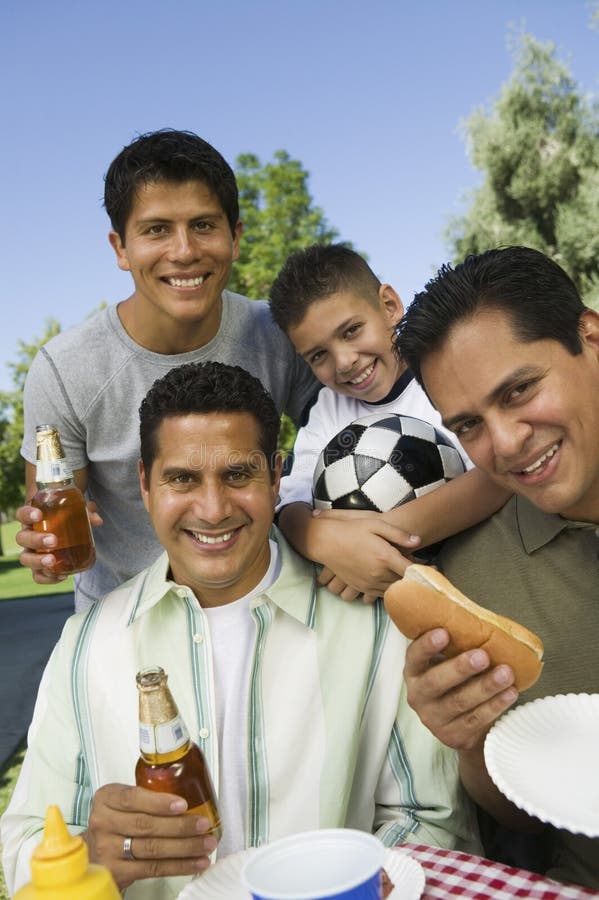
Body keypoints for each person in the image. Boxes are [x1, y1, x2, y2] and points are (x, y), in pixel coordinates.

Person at [1, 362, 479, 900]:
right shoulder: (86, 643)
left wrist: (373, 873)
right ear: (145, 483)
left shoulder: (377, 626)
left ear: (276, 476)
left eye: (237, 475)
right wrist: (90, 855)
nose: (212, 509)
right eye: (182, 478)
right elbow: (24, 841)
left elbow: (431, 819)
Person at [15, 129, 318, 611]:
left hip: (261, 607)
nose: (183, 251)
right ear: (121, 248)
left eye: (203, 225)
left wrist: (323, 532)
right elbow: (53, 524)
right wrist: (45, 549)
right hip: (125, 623)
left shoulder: (279, 334)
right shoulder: (65, 369)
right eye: (157, 229)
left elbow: (350, 433)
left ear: (235, 237)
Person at [394, 245, 599, 889]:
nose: (506, 442)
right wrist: (471, 743)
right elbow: (523, 820)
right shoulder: (469, 587)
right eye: (469, 424)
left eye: (519, 390)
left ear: (591, 338)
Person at [269, 244, 509, 602]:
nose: (345, 361)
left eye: (351, 331)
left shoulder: (449, 371)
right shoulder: (327, 411)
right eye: (319, 355)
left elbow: (499, 479)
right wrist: (325, 542)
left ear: (390, 306)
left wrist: (372, 543)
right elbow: (291, 506)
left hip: (489, 576)